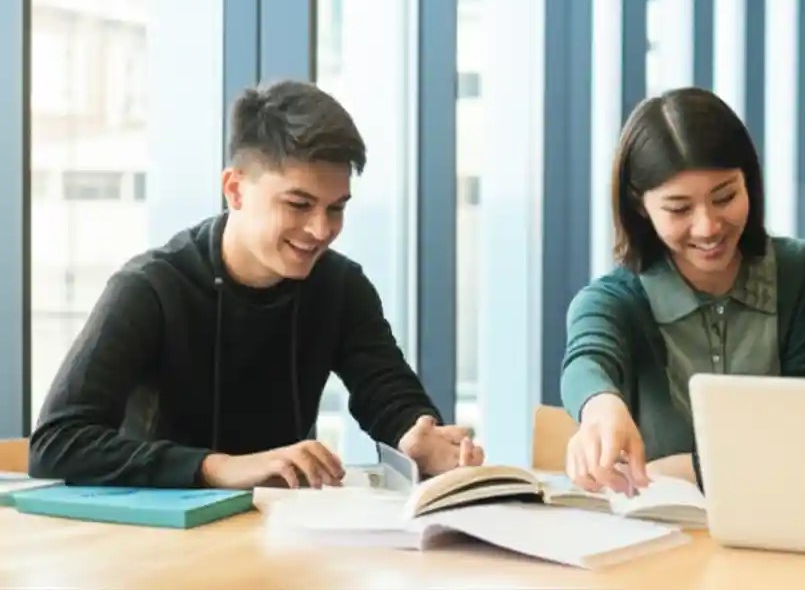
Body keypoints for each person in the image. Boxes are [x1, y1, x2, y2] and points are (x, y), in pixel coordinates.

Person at [29, 80, 483, 489]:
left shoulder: (341, 287)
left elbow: (386, 393)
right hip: (154, 542)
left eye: (336, 208)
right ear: (236, 190)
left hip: (279, 534)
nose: (320, 229)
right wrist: (218, 466)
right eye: (299, 204)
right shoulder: (149, 289)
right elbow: (57, 443)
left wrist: (416, 435)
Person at [560, 87, 805, 494]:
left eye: (725, 197)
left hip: (780, 520)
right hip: (661, 539)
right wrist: (600, 405)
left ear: (749, 183)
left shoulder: (803, 273)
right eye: (678, 209)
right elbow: (587, 359)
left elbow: (803, 431)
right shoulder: (612, 300)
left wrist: (682, 469)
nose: (708, 227)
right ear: (640, 206)